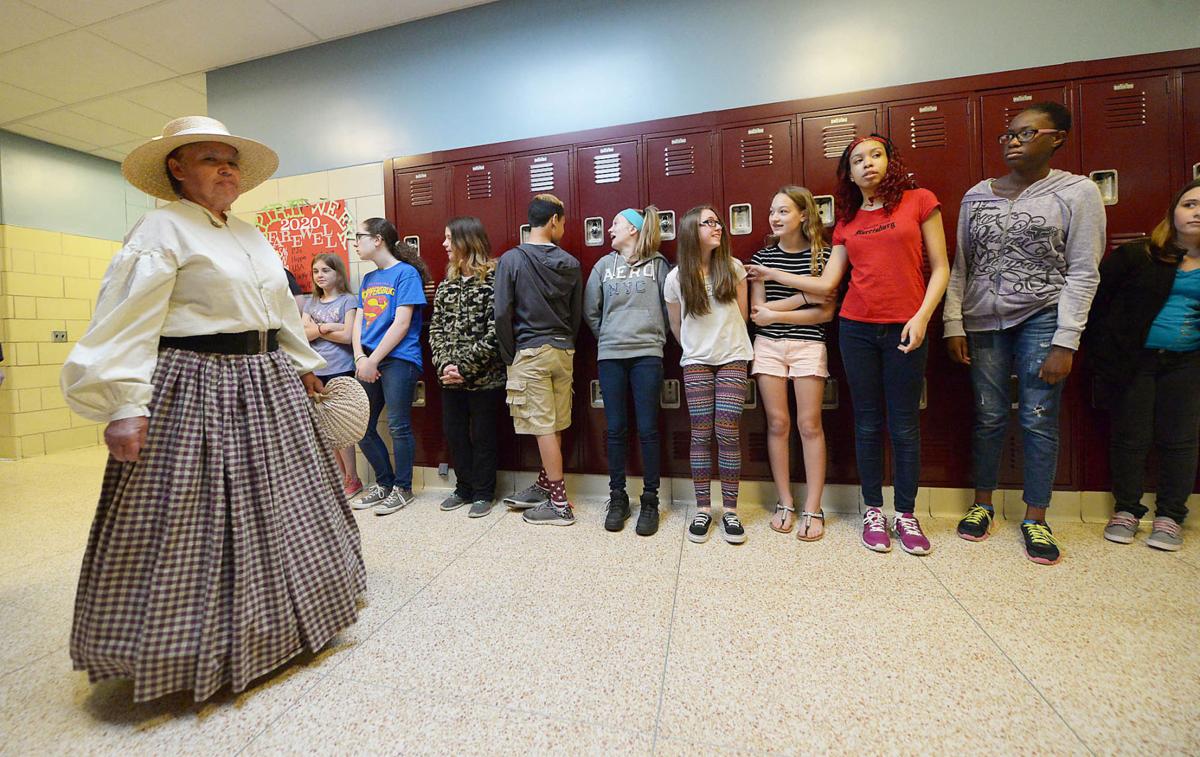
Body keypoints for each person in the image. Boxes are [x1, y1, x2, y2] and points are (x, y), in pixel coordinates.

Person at [59, 116, 364, 703]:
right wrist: (124, 402)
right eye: (209, 159)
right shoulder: (161, 229)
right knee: (190, 512)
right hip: (194, 383)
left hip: (266, 380)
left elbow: (277, 310)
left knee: (286, 500)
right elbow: (124, 321)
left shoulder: (251, 234)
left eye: (231, 160)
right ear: (177, 168)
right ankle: (192, 650)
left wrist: (303, 366)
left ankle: (287, 624)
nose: (226, 169)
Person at [749, 134, 949, 555]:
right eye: (858, 159)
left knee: (905, 424)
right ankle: (874, 510)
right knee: (868, 422)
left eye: (875, 155)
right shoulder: (848, 220)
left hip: (905, 325)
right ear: (850, 172)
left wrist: (922, 316)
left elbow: (941, 268)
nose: (867, 164)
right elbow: (827, 285)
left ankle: (907, 515)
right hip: (856, 328)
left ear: (889, 161)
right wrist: (773, 275)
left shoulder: (918, 201)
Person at [943, 102, 1105, 566]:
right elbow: (962, 267)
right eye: (1008, 134)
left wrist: (1066, 339)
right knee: (989, 415)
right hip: (982, 320)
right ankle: (983, 504)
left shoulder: (1076, 192)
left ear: (1057, 138)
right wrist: (954, 322)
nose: (1013, 141)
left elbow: (1083, 271)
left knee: (1037, 416)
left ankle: (1036, 515)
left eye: (1026, 133)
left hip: (1043, 315)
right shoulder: (977, 195)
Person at [1091, 178, 1200, 552]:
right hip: (1135, 361)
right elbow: (1099, 304)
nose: (1197, 212)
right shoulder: (1139, 255)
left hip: (1187, 363)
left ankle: (1170, 516)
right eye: (1190, 204)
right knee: (1131, 437)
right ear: (1173, 211)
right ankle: (1126, 510)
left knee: (1180, 440)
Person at [746, 186, 836, 541]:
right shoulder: (761, 257)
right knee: (778, 423)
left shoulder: (823, 257)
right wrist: (805, 296)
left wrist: (780, 307)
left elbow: (826, 313)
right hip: (768, 346)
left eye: (783, 211)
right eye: (772, 211)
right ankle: (785, 501)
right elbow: (757, 315)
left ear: (803, 215)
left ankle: (813, 506)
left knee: (810, 424)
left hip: (808, 346)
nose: (775, 218)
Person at [664, 205, 754, 545]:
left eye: (718, 222)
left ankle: (730, 510)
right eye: (709, 222)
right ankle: (703, 508)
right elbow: (676, 325)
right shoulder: (675, 279)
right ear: (691, 230)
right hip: (697, 361)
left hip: (733, 356)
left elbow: (742, 316)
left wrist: (721, 343)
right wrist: (697, 347)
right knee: (700, 432)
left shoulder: (732, 268)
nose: (718, 227)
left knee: (727, 429)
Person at [494, 194, 583, 526]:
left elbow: (502, 312)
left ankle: (559, 504)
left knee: (543, 426)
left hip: (530, 351)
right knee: (555, 422)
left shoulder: (511, 260)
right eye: (563, 221)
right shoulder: (572, 263)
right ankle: (547, 484)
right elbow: (575, 316)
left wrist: (509, 354)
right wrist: (564, 340)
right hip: (563, 351)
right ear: (554, 220)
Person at [584, 206, 671, 536]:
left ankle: (650, 499)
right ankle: (617, 496)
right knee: (617, 428)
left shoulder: (659, 266)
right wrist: (608, 336)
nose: (609, 229)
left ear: (634, 229)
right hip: (611, 356)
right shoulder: (604, 266)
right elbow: (591, 311)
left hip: (647, 355)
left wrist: (654, 336)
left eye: (615, 223)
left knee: (648, 429)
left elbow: (668, 308)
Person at [351, 218, 429, 516]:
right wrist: (360, 356)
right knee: (361, 426)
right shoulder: (369, 279)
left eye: (359, 236)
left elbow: (402, 323)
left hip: (398, 359)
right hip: (368, 359)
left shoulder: (405, 274)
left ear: (378, 239)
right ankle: (384, 483)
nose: (355, 243)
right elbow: (359, 319)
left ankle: (403, 488)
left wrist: (373, 359)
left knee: (398, 425)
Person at [429, 216, 505, 519]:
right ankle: (464, 487)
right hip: (450, 378)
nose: (444, 244)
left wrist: (464, 366)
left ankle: (484, 492)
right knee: (455, 432)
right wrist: (445, 364)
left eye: (449, 238)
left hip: (484, 378)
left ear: (466, 242)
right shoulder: (447, 284)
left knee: (484, 435)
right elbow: (435, 329)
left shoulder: (493, 280)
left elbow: (496, 332)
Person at [303, 252, 362, 497]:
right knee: (326, 429)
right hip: (317, 371)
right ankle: (339, 479)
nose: (320, 276)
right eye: (316, 271)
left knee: (343, 429)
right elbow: (300, 334)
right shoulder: (311, 303)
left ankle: (352, 478)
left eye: (325, 270)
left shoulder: (348, 300)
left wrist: (315, 330)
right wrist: (327, 328)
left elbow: (348, 336)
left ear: (338, 273)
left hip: (342, 368)